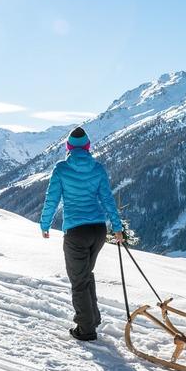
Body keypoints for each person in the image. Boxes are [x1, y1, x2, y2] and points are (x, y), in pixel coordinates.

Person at [40, 126, 124, 341]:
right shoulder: (97, 168)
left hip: (76, 232)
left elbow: (52, 199)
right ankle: (92, 319)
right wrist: (117, 227)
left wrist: (45, 224)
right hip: (97, 230)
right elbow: (107, 199)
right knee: (86, 274)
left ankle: (86, 330)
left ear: (68, 147)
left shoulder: (61, 168)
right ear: (88, 147)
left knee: (79, 280)